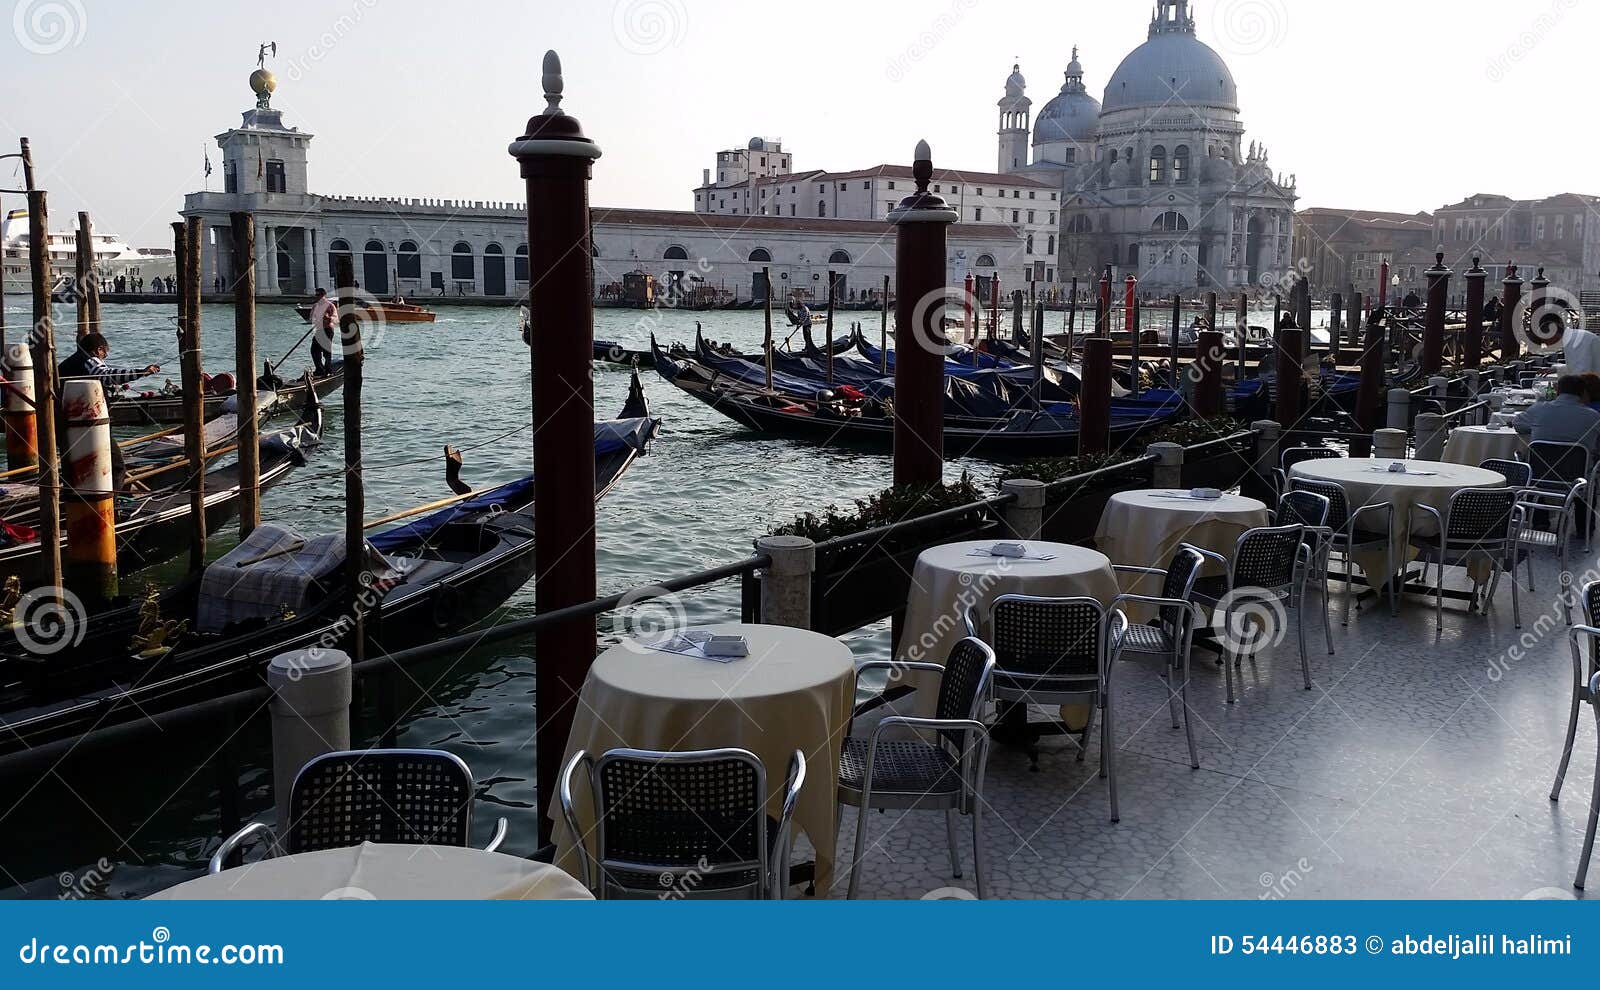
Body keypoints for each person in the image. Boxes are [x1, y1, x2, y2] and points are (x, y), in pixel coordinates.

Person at [1514, 375, 1600, 455]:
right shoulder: (1594, 416)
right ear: (1583, 393)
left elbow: (1517, 425)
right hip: (1580, 470)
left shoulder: (1538, 409)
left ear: (1557, 390)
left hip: (1539, 469)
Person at [58, 332, 160, 389]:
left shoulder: (75, 359)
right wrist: (141, 372)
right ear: (99, 350)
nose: (106, 356)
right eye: (105, 352)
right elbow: (107, 376)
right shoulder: (89, 361)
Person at [307, 288, 336, 376]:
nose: (317, 297)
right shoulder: (315, 306)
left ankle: (328, 370)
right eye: (316, 295)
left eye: (318, 295)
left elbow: (335, 318)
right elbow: (311, 318)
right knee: (314, 350)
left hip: (327, 329)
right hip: (319, 330)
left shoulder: (330, 305)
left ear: (323, 295)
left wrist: (328, 318)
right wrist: (315, 320)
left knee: (326, 350)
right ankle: (319, 369)